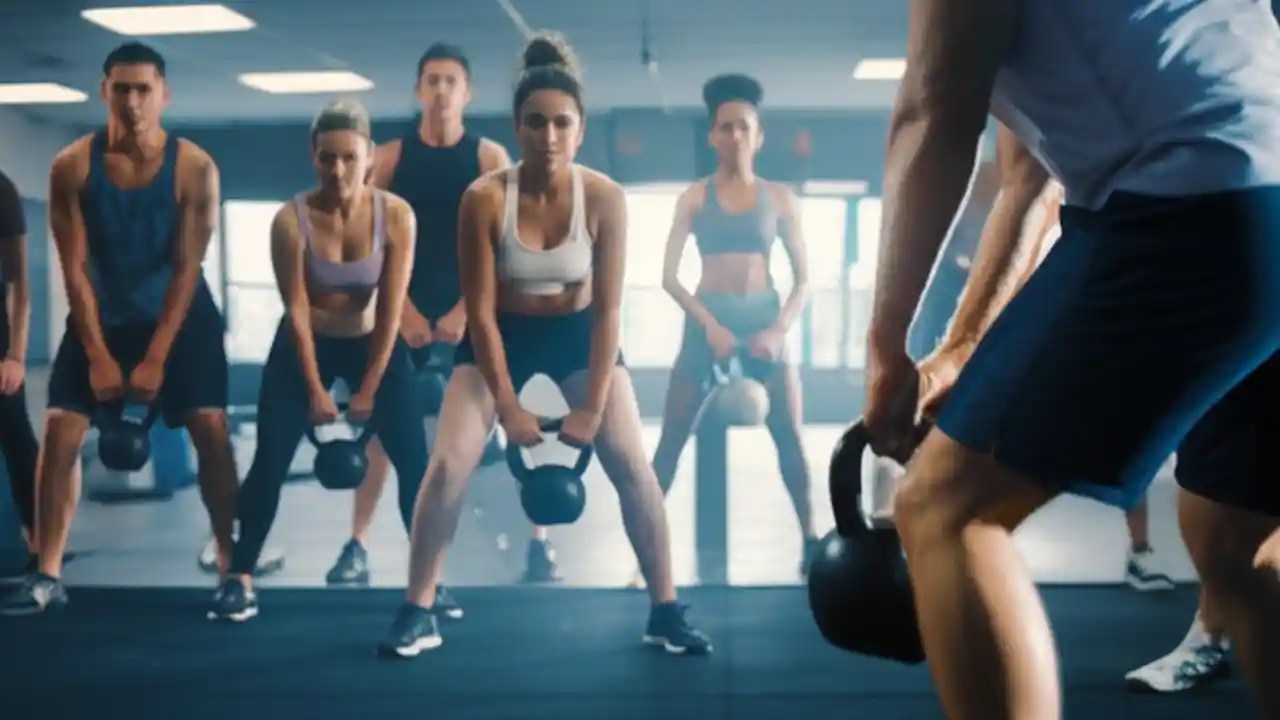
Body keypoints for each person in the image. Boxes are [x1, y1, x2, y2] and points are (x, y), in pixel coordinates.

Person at [862, 0, 1280, 715]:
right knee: (1236, 536)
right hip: (1255, 200)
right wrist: (961, 347)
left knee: (947, 509)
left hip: (1191, 206)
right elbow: (1031, 177)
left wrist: (884, 346)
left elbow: (933, 113)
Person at [377, 32, 712, 658]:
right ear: (517, 127)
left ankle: (665, 609)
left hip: (579, 338)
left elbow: (610, 310)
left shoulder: (605, 198)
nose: (549, 136)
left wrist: (589, 408)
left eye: (562, 123)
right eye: (536, 123)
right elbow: (478, 311)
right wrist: (507, 405)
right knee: (447, 465)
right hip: (500, 334)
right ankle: (417, 609)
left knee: (632, 465)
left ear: (580, 129)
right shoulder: (484, 198)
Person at [915, 135, 1228, 697]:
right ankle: (1212, 630)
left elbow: (1023, 179)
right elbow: (1020, 192)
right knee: (1237, 525)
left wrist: (958, 346)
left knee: (949, 504)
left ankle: (1162, 575)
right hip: (1189, 239)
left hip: (1194, 240)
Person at [0, 41, 239, 616]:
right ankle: (48, 570)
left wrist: (156, 358)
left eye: (144, 89)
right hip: (103, 315)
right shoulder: (72, 167)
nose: (133, 101)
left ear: (164, 94)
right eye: (122, 88)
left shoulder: (194, 167)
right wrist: (100, 355)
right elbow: (74, 270)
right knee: (59, 432)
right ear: (104, 91)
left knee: (209, 427)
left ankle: (235, 566)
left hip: (180, 317)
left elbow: (187, 269)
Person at [324, 42, 562, 592]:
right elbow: (366, 244)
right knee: (386, 430)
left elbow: (510, 248)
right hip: (403, 313)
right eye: (431, 80)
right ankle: (356, 545)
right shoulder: (386, 159)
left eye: (450, 81)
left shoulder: (488, 159)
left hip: (475, 313)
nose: (440, 91)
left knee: (519, 420)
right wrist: (401, 310)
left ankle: (539, 545)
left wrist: (465, 312)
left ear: (467, 92)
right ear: (417, 89)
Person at [206, 99, 425, 622]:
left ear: (370, 156)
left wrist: (369, 387)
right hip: (303, 346)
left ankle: (427, 583)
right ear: (313, 156)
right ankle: (240, 575)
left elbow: (392, 311)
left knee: (415, 465)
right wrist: (313, 388)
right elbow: (298, 312)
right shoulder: (291, 219)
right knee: (269, 463)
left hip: (375, 343)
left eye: (350, 157)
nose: (339, 170)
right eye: (328, 158)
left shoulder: (396, 215)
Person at [650, 73, 814, 576]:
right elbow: (669, 277)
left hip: (764, 318)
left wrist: (778, 330)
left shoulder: (781, 199)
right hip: (708, 320)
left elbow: (805, 280)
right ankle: (647, 549)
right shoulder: (695, 198)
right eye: (726, 128)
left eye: (744, 127)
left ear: (758, 135)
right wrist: (710, 327)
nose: (735, 136)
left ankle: (810, 542)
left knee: (789, 435)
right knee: (671, 440)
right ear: (712, 136)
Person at [0, 168, 39, 579]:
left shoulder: (2, 189)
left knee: (16, 439)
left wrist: (15, 354)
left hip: (0, 344)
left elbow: (20, 283)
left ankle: (42, 549)